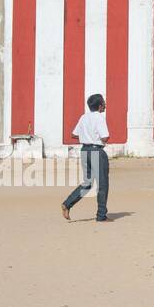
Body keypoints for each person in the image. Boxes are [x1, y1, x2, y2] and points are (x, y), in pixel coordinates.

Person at [61, 94, 111, 223]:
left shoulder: (83, 117)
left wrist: (86, 138)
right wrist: (94, 139)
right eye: (104, 103)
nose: (105, 105)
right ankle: (101, 215)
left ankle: (67, 204)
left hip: (85, 151)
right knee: (102, 184)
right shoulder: (99, 117)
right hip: (96, 151)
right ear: (100, 106)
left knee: (87, 183)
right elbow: (105, 137)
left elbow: (73, 134)